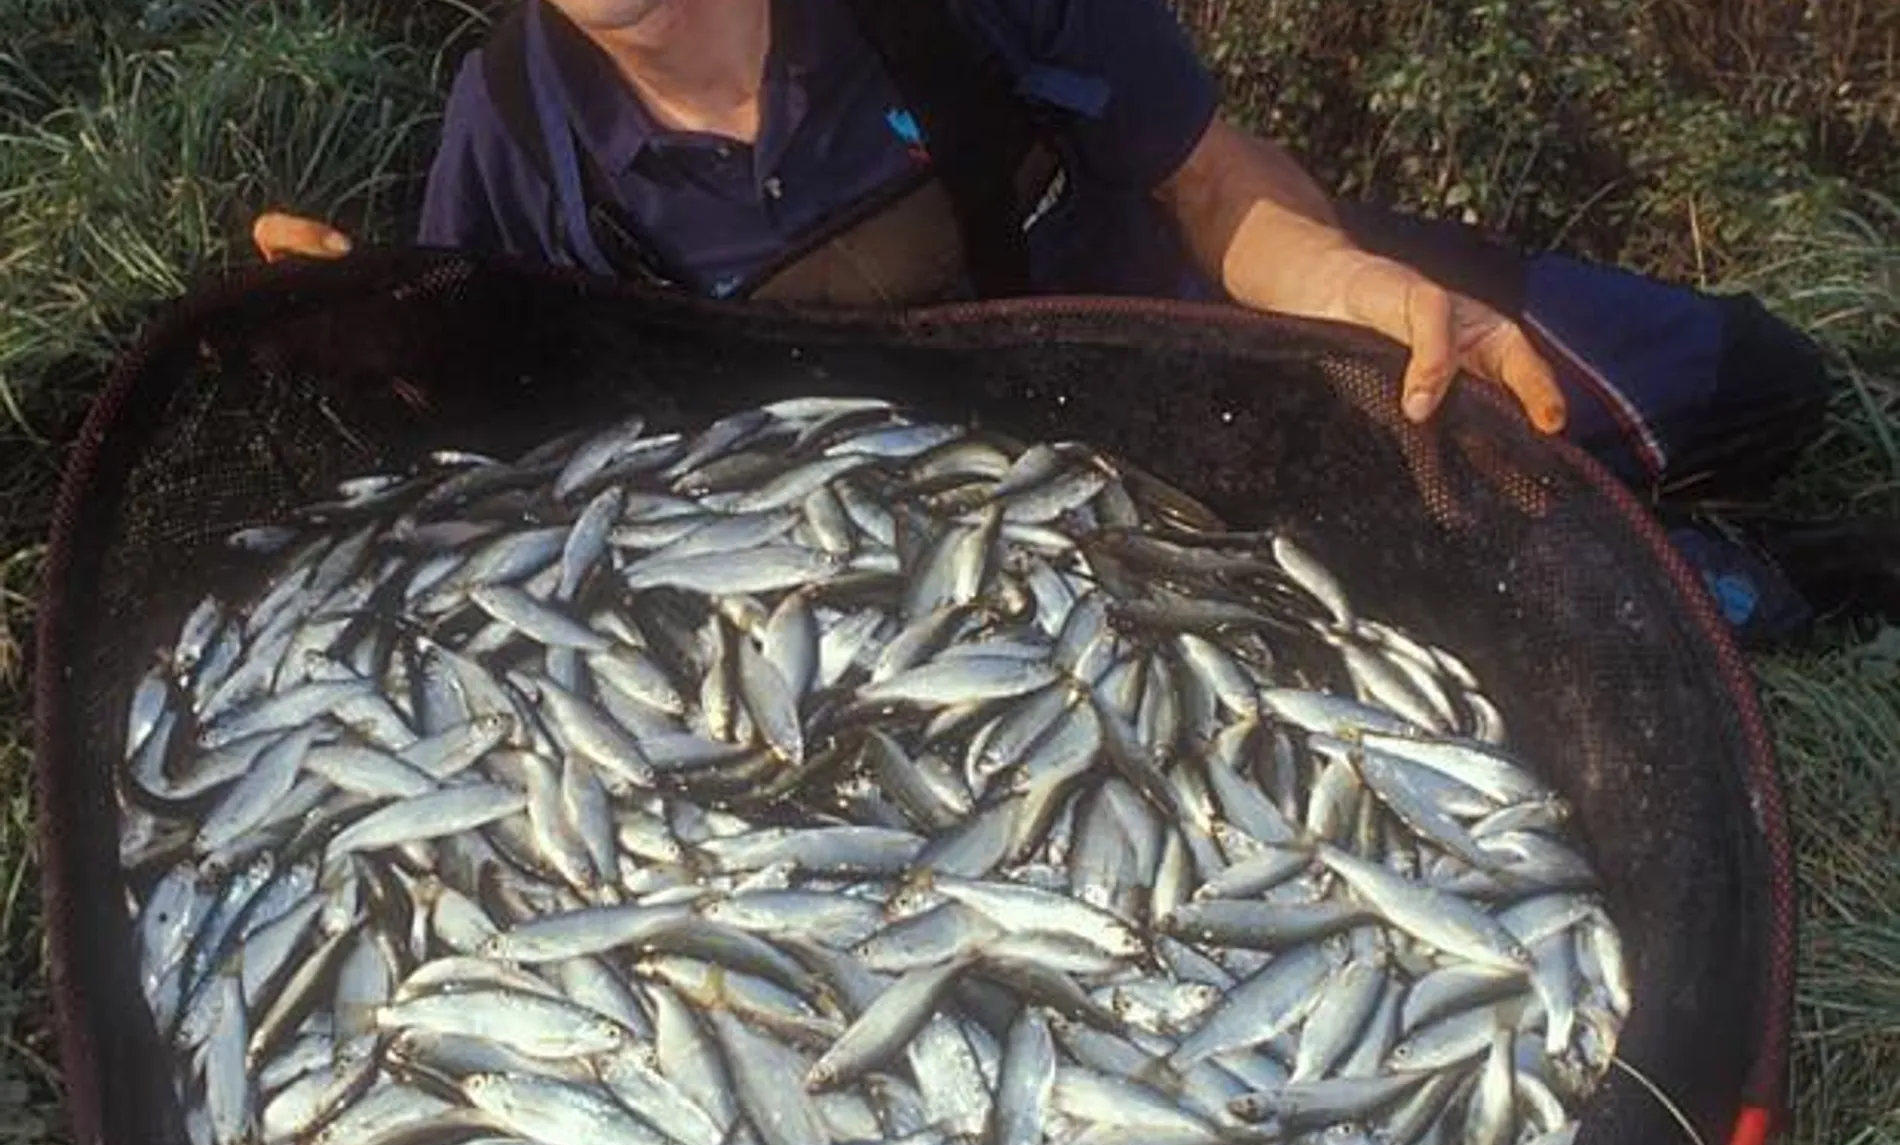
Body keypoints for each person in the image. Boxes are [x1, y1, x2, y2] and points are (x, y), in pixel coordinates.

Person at [254, 0, 1900, 643]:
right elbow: (510, 420)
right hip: (940, 528)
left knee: (1762, 384)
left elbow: (1213, 180)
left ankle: (1668, 494)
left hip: (1215, 335)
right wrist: (373, 324)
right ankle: (1732, 581)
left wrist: (1358, 293)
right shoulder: (512, 125)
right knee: (1557, 589)